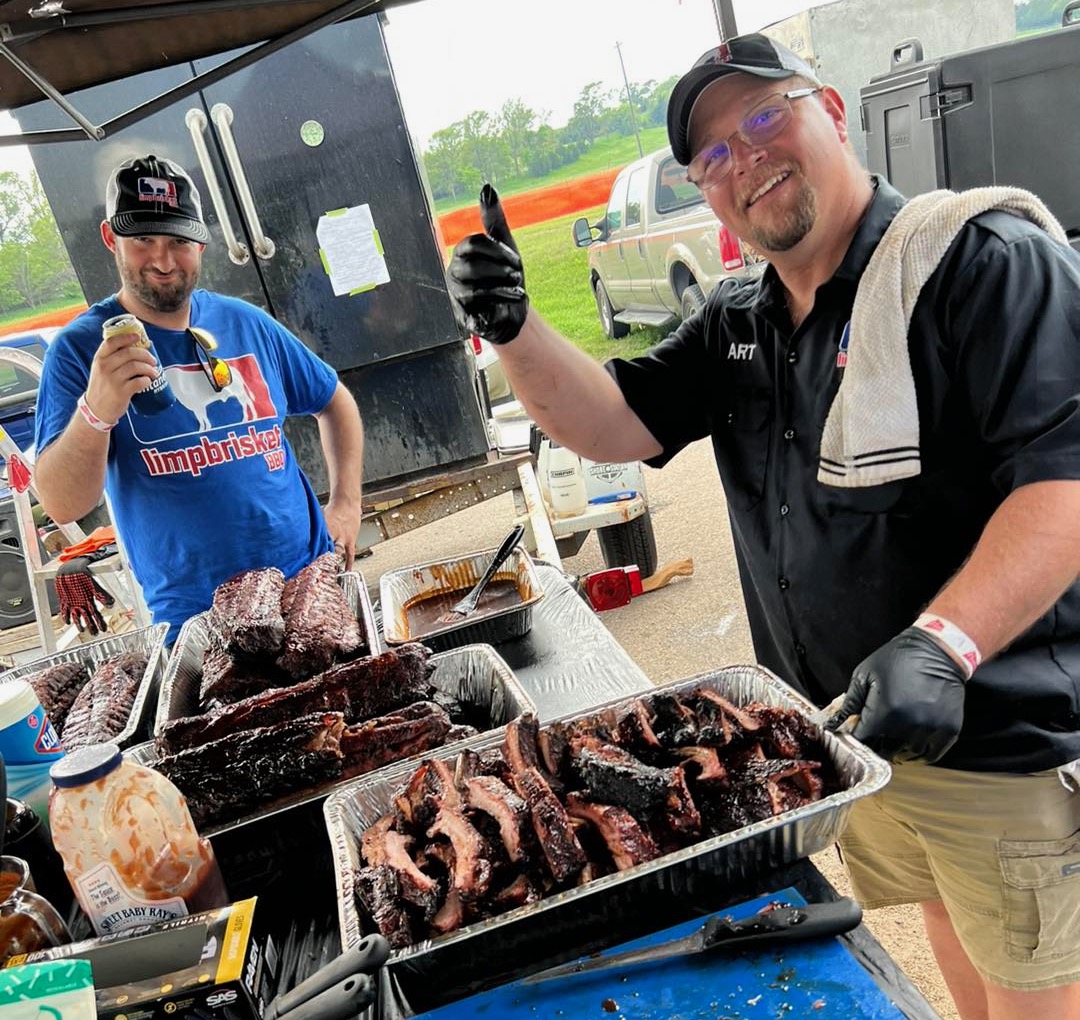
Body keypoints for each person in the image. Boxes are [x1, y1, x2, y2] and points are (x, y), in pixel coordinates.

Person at [446, 33, 1080, 1020]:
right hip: (851, 736)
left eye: (763, 118)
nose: (743, 159)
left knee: (1034, 984)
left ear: (830, 109)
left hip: (991, 738)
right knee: (952, 924)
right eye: (712, 155)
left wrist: (945, 643)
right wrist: (517, 326)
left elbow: (1066, 482)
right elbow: (611, 424)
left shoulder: (981, 264)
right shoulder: (738, 319)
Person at [34, 154, 364, 642]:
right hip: (197, 622)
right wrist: (96, 410)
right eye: (143, 240)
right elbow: (63, 503)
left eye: (179, 242)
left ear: (201, 242)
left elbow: (335, 401)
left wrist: (347, 504)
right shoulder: (82, 349)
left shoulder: (246, 323)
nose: (163, 261)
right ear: (111, 239)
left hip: (309, 589)